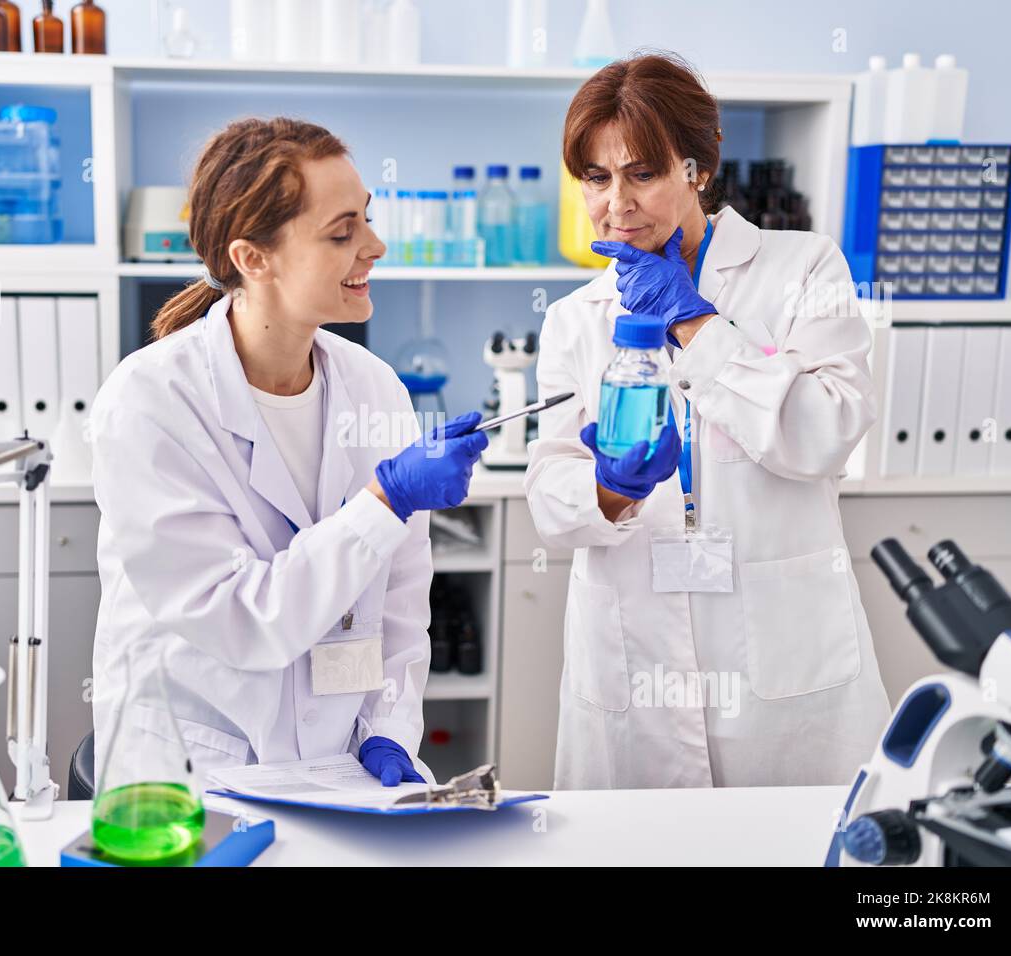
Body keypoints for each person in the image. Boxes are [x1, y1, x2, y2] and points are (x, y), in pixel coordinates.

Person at [525, 52, 890, 789]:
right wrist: (608, 490)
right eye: (596, 178)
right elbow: (549, 502)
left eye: (643, 173)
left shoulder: (803, 270)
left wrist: (695, 325)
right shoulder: (574, 320)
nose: (616, 204)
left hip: (782, 667)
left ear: (697, 168)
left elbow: (826, 432)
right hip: (632, 661)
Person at [91, 118, 488, 787]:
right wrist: (385, 502)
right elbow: (245, 620)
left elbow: (400, 602)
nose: (375, 245)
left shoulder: (375, 388)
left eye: (367, 219)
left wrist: (388, 728)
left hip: (339, 761)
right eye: (342, 232)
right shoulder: (150, 402)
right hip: (191, 775)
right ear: (254, 258)